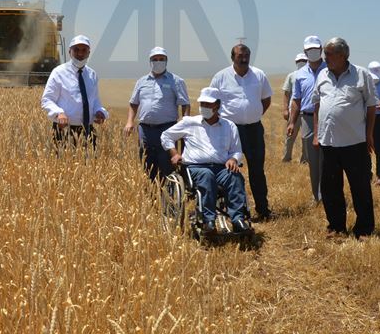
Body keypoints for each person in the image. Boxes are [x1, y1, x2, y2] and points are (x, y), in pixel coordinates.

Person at [161, 87, 252, 234]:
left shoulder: (229, 126)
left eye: (208, 104)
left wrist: (233, 159)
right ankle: (208, 220)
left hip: (222, 167)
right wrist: (174, 154)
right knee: (206, 175)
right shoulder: (189, 122)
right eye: (202, 104)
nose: (204, 107)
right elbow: (166, 136)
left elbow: (236, 150)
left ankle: (238, 220)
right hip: (196, 168)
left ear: (217, 106)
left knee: (235, 177)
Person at [311, 37, 377, 238]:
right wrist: (316, 134)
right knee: (330, 188)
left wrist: (369, 135)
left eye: (329, 54)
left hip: (354, 143)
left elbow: (372, 105)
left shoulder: (361, 75)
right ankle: (336, 226)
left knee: (360, 187)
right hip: (328, 143)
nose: (325, 57)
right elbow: (316, 105)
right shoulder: (322, 74)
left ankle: (364, 228)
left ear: (342, 55)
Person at [210, 43, 274, 220]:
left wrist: (255, 113)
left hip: (254, 130)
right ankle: (231, 211)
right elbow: (211, 103)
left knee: (257, 170)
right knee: (228, 170)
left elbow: (266, 100)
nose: (244, 58)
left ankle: (263, 209)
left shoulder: (259, 75)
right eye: (240, 56)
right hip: (229, 131)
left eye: (246, 55)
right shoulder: (221, 77)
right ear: (233, 57)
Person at [124, 46, 191, 180]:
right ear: (150, 61)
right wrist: (130, 121)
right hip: (145, 129)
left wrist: (185, 122)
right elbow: (133, 103)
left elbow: (185, 104)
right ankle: (151, 196)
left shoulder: (176, 81)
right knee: (147, 163)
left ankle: (168, 195)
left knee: (166, 163)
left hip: (167, 128)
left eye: (161, 59)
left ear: (166, 61)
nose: (158, 62)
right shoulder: (142, 81)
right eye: (155, 59)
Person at [40, 35, 108, 147]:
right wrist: (59, 113)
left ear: (89, 52)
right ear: (69, 52)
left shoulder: (92, 74)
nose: (80, 54)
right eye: (76, 50)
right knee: (62, 163)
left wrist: (100, 112)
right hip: (63, 130)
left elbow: (95, 101)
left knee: (90, 163)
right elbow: (47, 99)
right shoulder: (58, 72)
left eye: (84, 50)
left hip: (88, 130)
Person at [287, 36, 327, 203]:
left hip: (328, 118)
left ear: (321, 49)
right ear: (305, 52)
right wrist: (291, 121)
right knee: (313, 160)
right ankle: (316, 196)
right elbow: (296, 99)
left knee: (328, 159)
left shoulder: (329, 69)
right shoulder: (299, 75)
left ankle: (328, 193)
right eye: (309, 50)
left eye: (315, 49)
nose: (312, 52)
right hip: (308, 119)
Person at [280, 53, 309, 162]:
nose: (301, 62)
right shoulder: (291, 75)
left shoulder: (310, 75)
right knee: (290, 135)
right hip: (294, 111)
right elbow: (287, 93)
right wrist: (285, 109)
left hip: (307, 111)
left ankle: (305, 159)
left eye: (303, 60)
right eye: (299, 61)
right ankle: (286, 158)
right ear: (296, 62)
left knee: (306, 137)